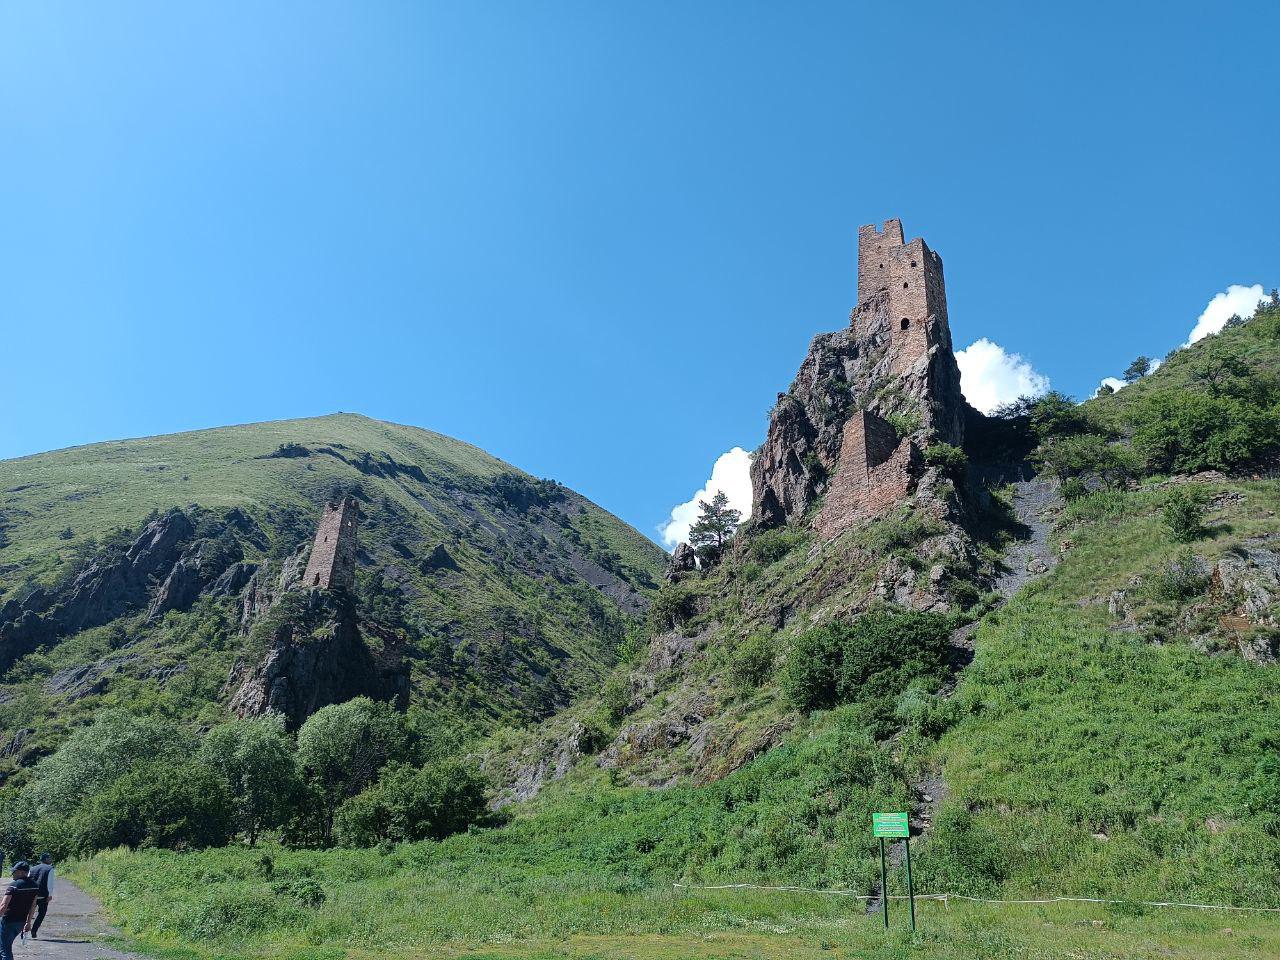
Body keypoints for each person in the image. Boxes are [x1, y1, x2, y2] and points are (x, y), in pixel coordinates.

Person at [0, 862, 39, 960]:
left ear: (22, 872)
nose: (12, 873)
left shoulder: (14, 885)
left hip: (8, 921)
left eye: (14, 871)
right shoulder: (35, 885)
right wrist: (28, 922)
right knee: (4, 946)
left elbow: (3, 905)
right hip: (21, 922)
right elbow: (33, 905)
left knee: (4, 949)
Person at [27, 855, 53, 939]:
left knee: (28, 913)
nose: (51, 859)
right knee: (41, 913)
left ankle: (25, 929)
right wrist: (50, 895)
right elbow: (50, 882)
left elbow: (28, 880)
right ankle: (34, 930)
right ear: (45, 859)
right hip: (43, 895)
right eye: (49, 858)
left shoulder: (32, 868)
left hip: (32, 895)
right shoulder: (49, 869)